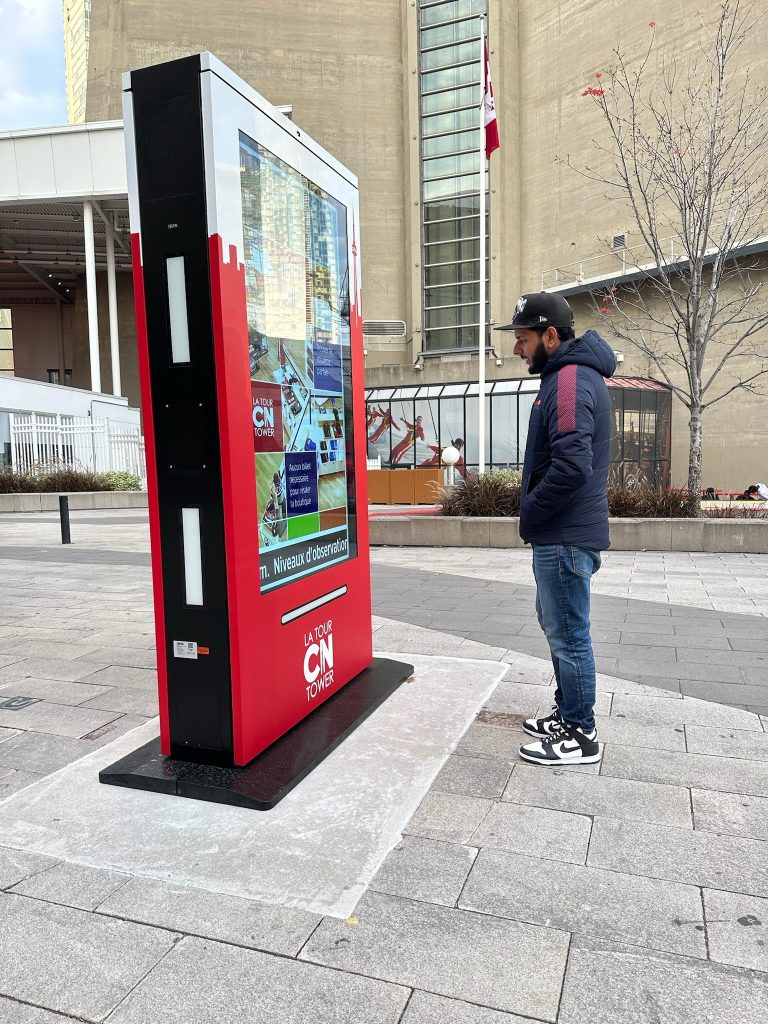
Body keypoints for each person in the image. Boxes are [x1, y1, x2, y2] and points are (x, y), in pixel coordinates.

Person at [495, 292, 616, 765]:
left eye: (522, 339)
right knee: (558, 625)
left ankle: (581, 734)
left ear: (550, 336)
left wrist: (530, 513)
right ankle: (567, 715)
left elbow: (571, 465)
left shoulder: (568, 381)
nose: (516, 349)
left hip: (564, 535)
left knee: (568, 633)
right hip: (562, 533)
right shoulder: (568, 377)